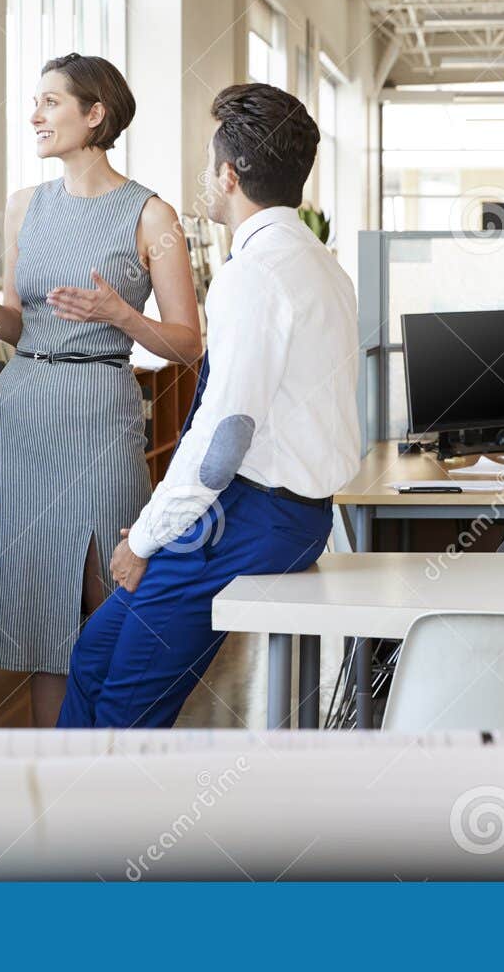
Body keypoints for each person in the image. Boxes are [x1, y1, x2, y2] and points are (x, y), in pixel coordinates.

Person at [59, 83, 360, 729]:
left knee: (123, 703)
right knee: (95, 652)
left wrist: (144, 539)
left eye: (207, 161)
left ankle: (92, 825)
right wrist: (167, 525)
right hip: (284, 512)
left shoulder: (254, 276)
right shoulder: (319, 263)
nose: (204, 174)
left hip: (255, 514)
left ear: (227, 175)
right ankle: (65, 817)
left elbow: (224, 440)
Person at [0, 54, 202, 727]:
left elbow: (188, 341)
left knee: (112, 596)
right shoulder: (24, 206)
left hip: (99, 411)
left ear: (95, 114)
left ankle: (114, 760)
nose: (35, 115)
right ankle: (54, 777)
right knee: (43, 617)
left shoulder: (152, 216)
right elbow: (21, 323)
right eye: (34, 102)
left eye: (51, 102)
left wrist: (121, 315)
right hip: (23, 415)